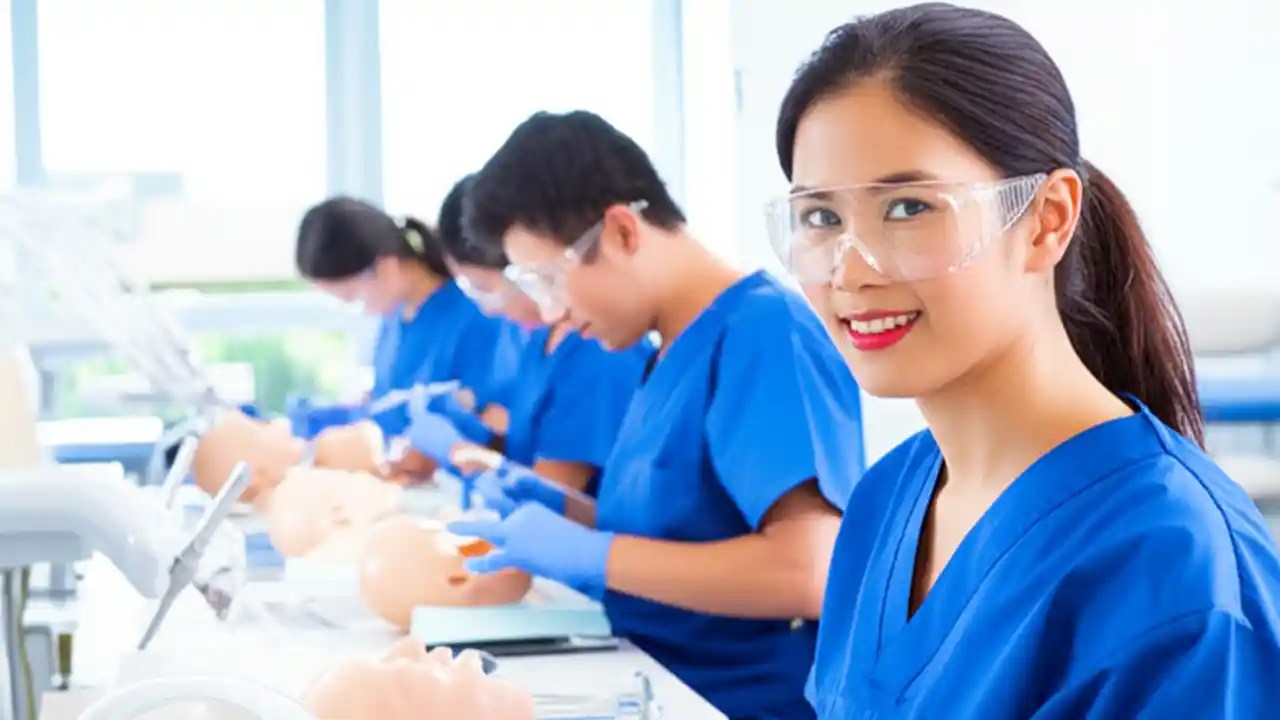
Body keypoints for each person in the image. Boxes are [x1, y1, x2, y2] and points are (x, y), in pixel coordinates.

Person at [769, 4, 1280, 718]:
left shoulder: (1174, 569)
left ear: (1047, 221)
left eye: (910, 207)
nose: (850, 272)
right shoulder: (889, 500)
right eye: (820, 217)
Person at [448, 110, 866, 720]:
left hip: (736, 699)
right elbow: (688, 532)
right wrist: (564, 512)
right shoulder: (667, 347)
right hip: (652, 679)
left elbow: (809, 570)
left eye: (549, 279)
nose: (549, 312)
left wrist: (590, 554)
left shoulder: (764, 332)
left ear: (621, 231)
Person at [404, 175, 652, 496]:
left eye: (483, 289)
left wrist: (459, 453)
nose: (488, 310)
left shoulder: (599, 345)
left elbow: (555, 496)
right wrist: (480, 434)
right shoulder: (540, 338)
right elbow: (530, 441)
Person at [295, 196, 524, 438]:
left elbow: (494, 420)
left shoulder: (479, 316)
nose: (364, 310)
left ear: (386, 266)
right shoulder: (394, 320)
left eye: (354, 298)